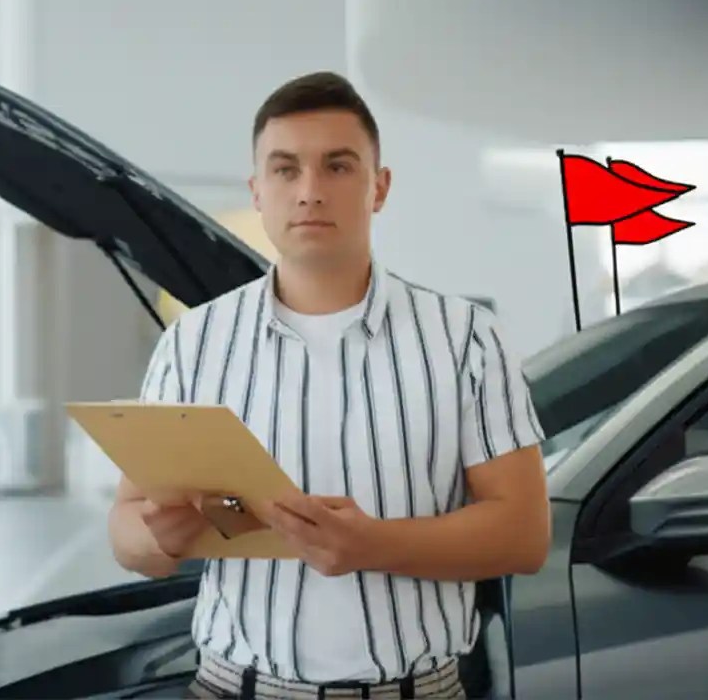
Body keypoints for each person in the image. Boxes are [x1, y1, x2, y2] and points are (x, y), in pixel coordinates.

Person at [107, 72, 550, 699]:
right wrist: (157, 541)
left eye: (338, 167)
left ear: (380, 187)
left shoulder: (467, 338)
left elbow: (525, 534)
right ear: (257, 191)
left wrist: (375, 544)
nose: (310, 191)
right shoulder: (193, 342)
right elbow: (127, 528)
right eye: (285, 170)